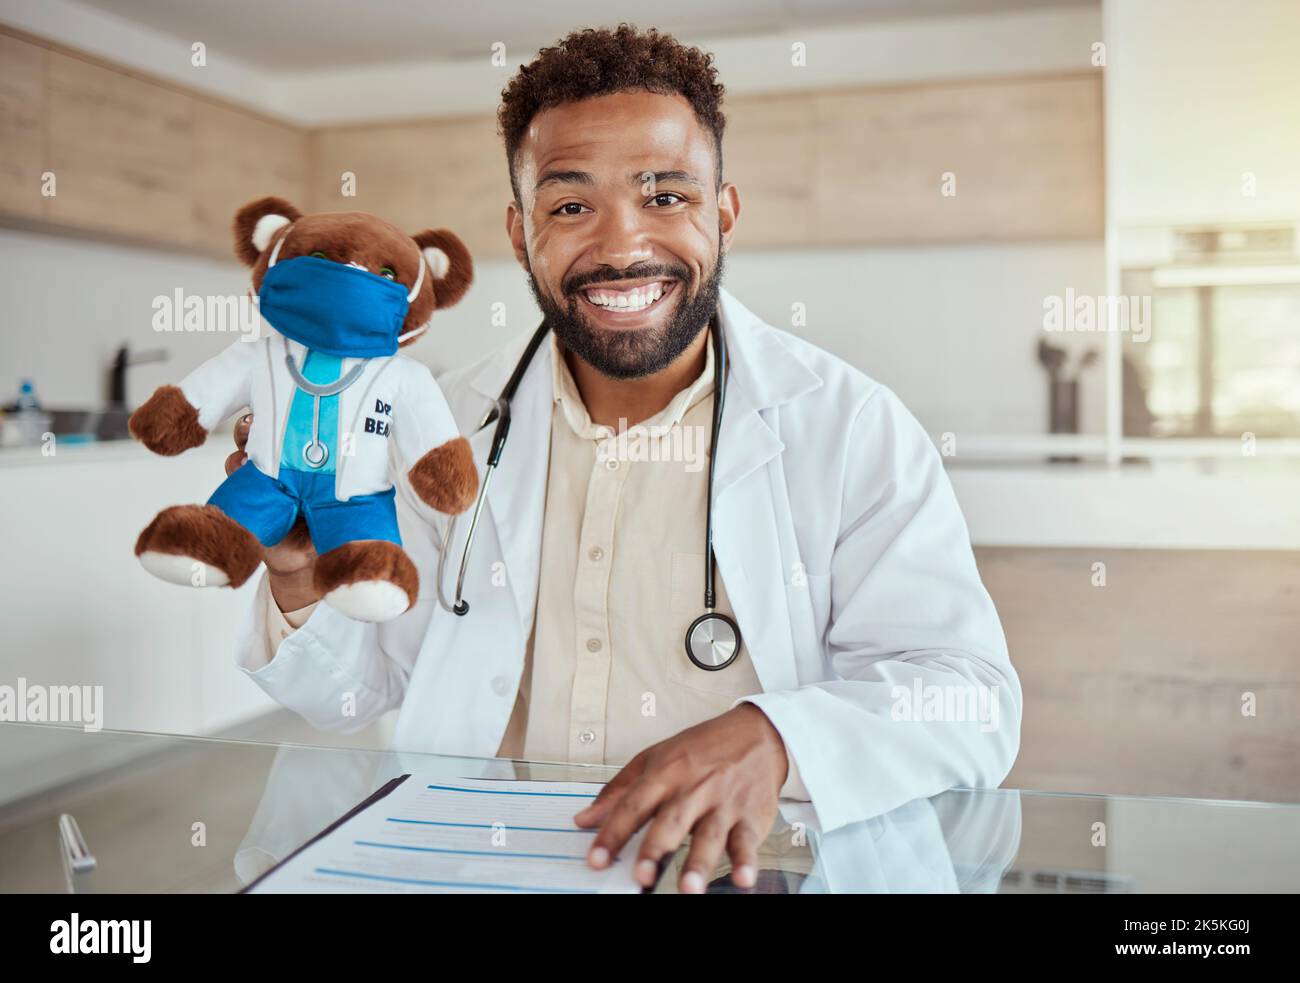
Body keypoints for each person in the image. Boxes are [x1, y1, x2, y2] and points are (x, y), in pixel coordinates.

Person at [228, 24, 1020, 894]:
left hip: (744, 875)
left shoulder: (849, 427)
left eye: (667, 196)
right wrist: (300, 581)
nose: (620, 246)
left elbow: (968, 699)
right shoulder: (443, 424)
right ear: (521, 231)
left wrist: (777, 738)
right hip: (481, 869)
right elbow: (358, 693)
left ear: (723, 213)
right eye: (570, 205)